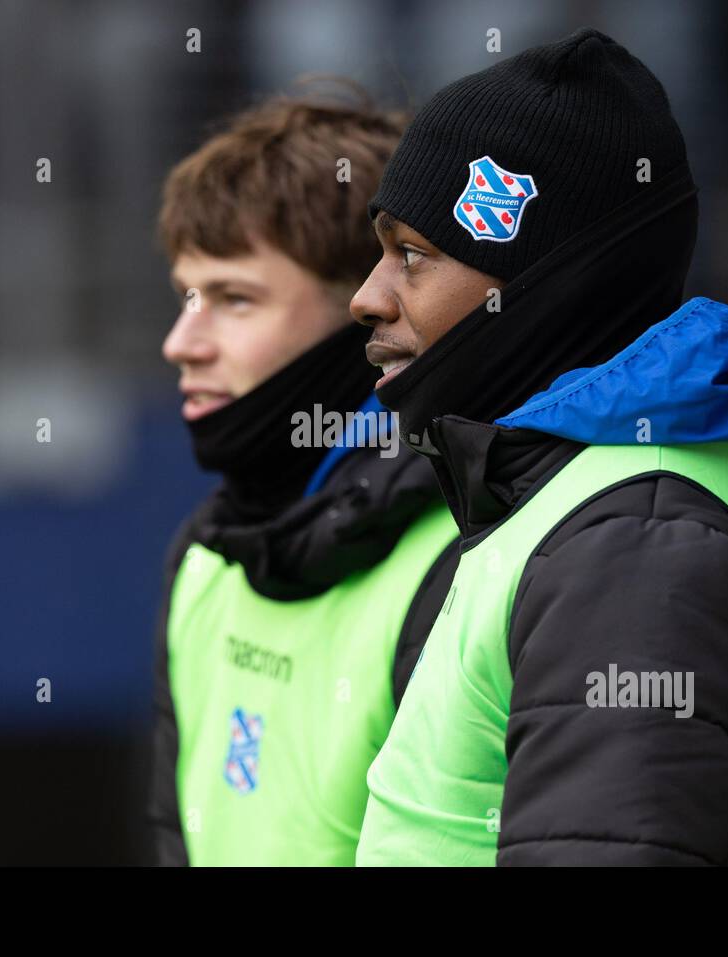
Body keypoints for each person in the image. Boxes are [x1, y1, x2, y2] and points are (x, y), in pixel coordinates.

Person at [349, 29, 728, 866]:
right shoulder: (627, 495)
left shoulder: (637, 538)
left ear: (549, 284)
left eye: (414, 255)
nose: (367, 297)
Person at [148, 90, 460, 866]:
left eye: (234, 299)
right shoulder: (204, 557)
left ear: (366, 311)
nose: (181, 342)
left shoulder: (470, 559)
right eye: (186, 297)